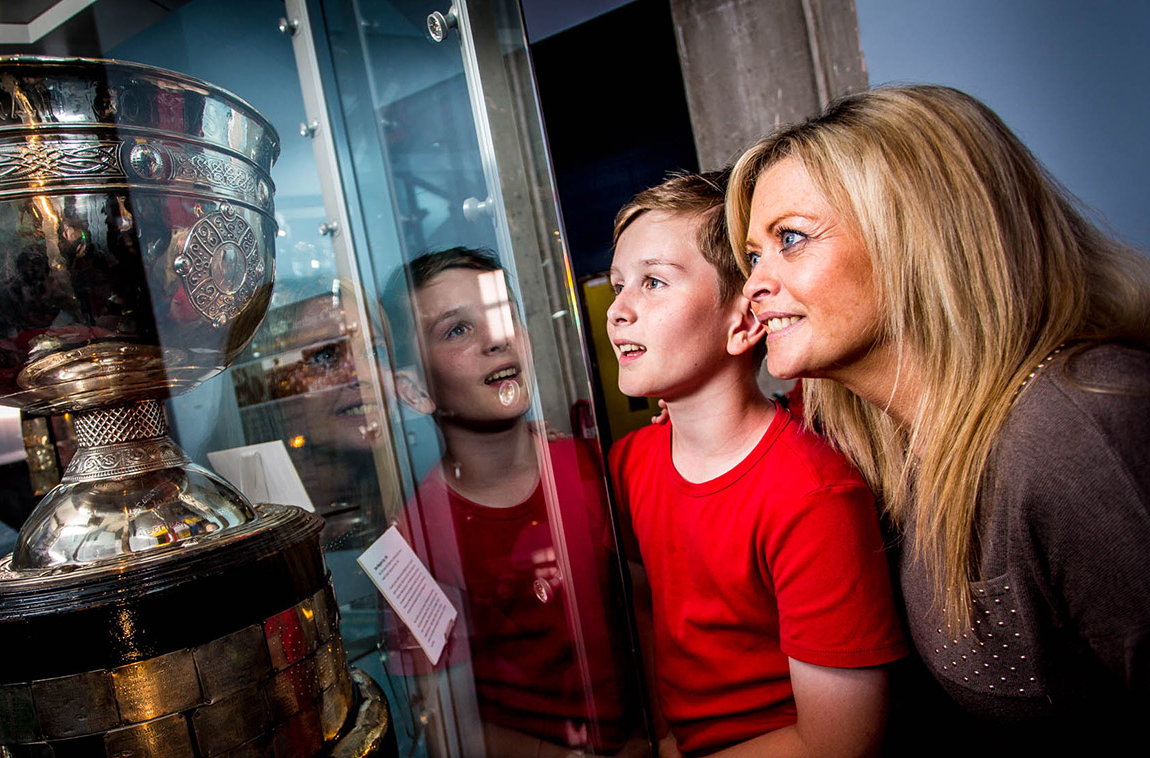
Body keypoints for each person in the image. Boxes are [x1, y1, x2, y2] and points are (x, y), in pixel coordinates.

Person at [731, 84, 1150, 751]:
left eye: (791, 239)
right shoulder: (902, 448)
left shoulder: (1078, 426)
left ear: (918, 237)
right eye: (754, 254)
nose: (753, 284)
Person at [607, 171, 908, 757]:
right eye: (619, 285)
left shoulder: (812, 494)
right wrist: (663, 738)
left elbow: (839, 744)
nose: (618, 310)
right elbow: (643, 608)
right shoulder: (630, 461)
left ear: (745, 322)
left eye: (652, 283)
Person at [383, 248, 644, 757]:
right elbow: (449, 725)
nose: (496, 338)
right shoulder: (415, 541)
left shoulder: (598, 468)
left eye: (503, 315)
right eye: (457, 330)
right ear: (414, 390)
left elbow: (654, 620)